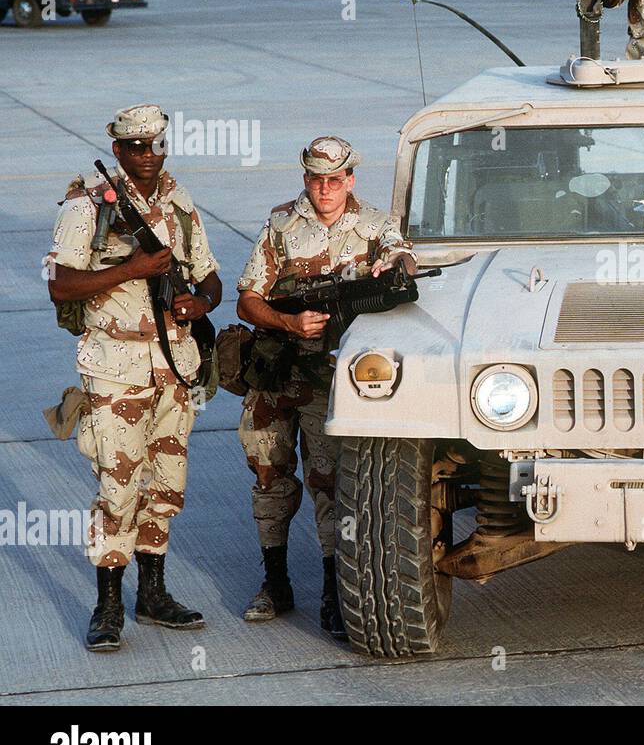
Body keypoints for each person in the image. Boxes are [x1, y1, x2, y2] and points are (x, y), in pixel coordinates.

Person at [45, 104, 222, 652]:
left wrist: (199, 302)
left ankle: (153, 593)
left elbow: (210, 275)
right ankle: (107, 606)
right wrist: (131, 270)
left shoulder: (178, 200)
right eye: (137, 147)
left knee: (167, 487)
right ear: (118, 150)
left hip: (173, 367)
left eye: (157, 145)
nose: (149, 156)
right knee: (118, 488)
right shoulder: (87, 206)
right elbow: (61, 284)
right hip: (117, 373)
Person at [235, 137, 416, 639]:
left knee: (330, 484)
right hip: (277, 375)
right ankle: (275, 583)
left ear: (350, 179)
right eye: (316, 179)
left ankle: (334, 594)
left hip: (330, 380)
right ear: (305, 179)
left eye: (335, 179)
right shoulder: (281, 225)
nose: (325, 189)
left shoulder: (375, 226)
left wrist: (393, 266)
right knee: (270, 478)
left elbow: (404, 259)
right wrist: (288, 324)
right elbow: (246, 300)